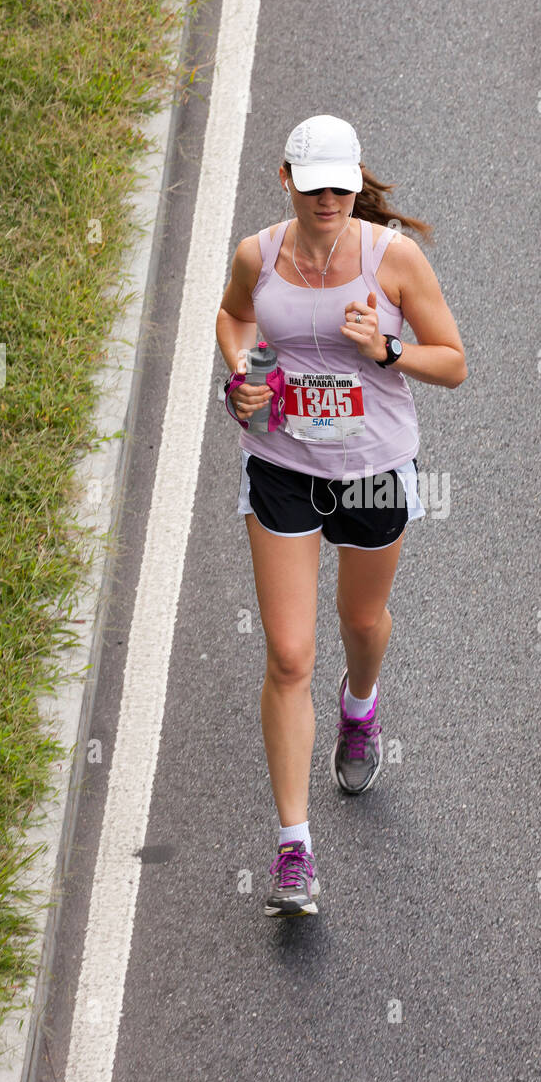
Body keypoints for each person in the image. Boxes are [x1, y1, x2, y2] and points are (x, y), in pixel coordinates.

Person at [215, 114, 466, 918]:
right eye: (315, 185)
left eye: (343, 187)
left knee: (361, 620)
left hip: (372, 472)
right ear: (285, 179)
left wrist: (385, 354)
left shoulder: (394, 262)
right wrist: (243, 380)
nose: (330, 199)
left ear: (358, 185)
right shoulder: (258, 255)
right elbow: (236, 320)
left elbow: (454, 362)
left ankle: (360, 708)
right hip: (284, 466)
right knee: (289, 656)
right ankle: (295, 849)